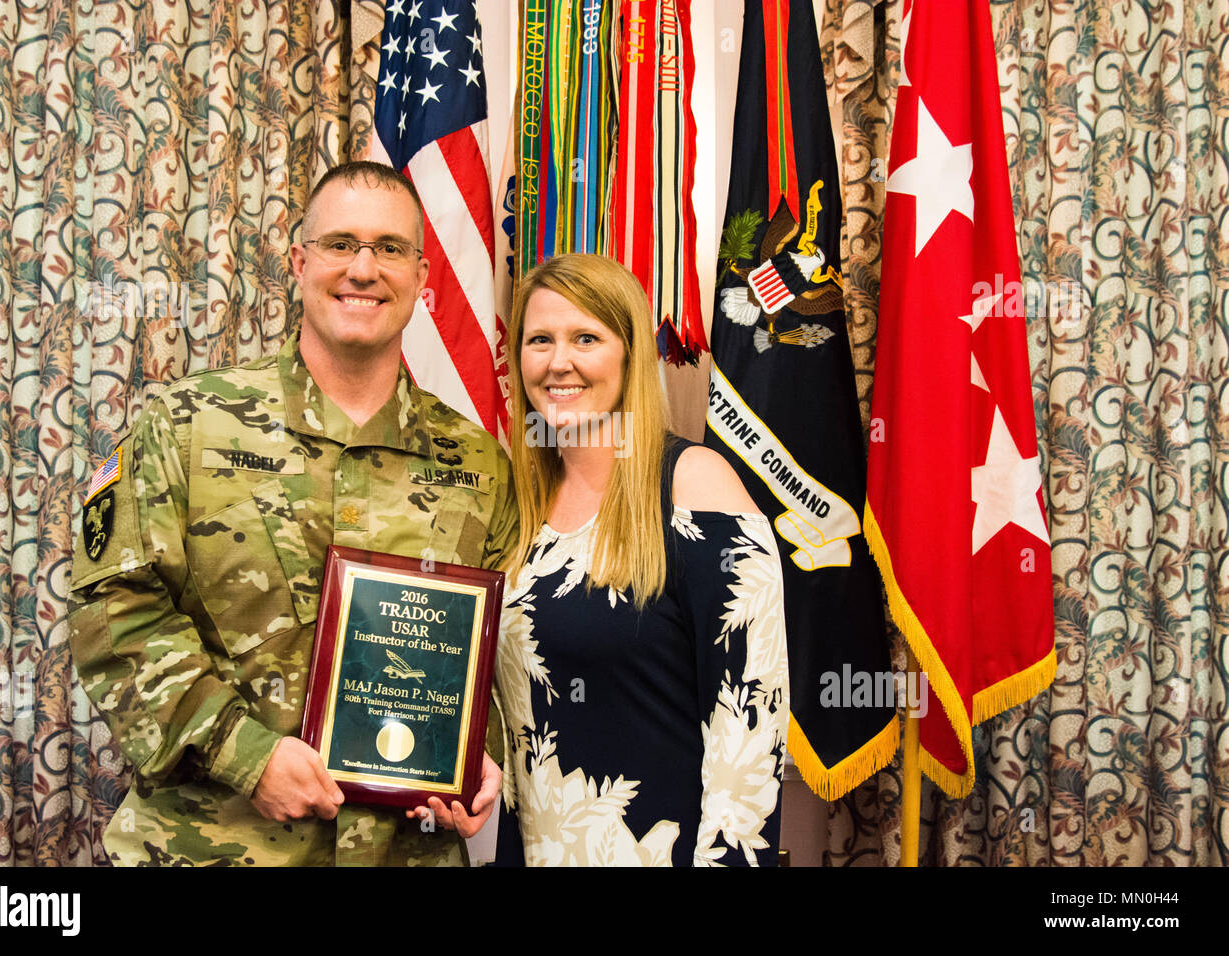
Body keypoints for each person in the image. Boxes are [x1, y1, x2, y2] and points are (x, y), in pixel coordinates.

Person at [68, 161, 516, 866]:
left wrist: (476, 753)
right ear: (300, 262)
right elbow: (112, 612)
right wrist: (244, 753)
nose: (364, 268)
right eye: (341, 244)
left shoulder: (477, 464)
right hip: (215, 850)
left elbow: (497, 652)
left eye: (390, 248)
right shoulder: (187, 423)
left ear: (422, 276)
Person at [493, 253, 789, 866]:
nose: (558, 363)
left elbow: (751, 740)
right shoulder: (515, 511)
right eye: (539, 340)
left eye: (586, 338)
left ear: (629, 354)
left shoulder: (695, 486)